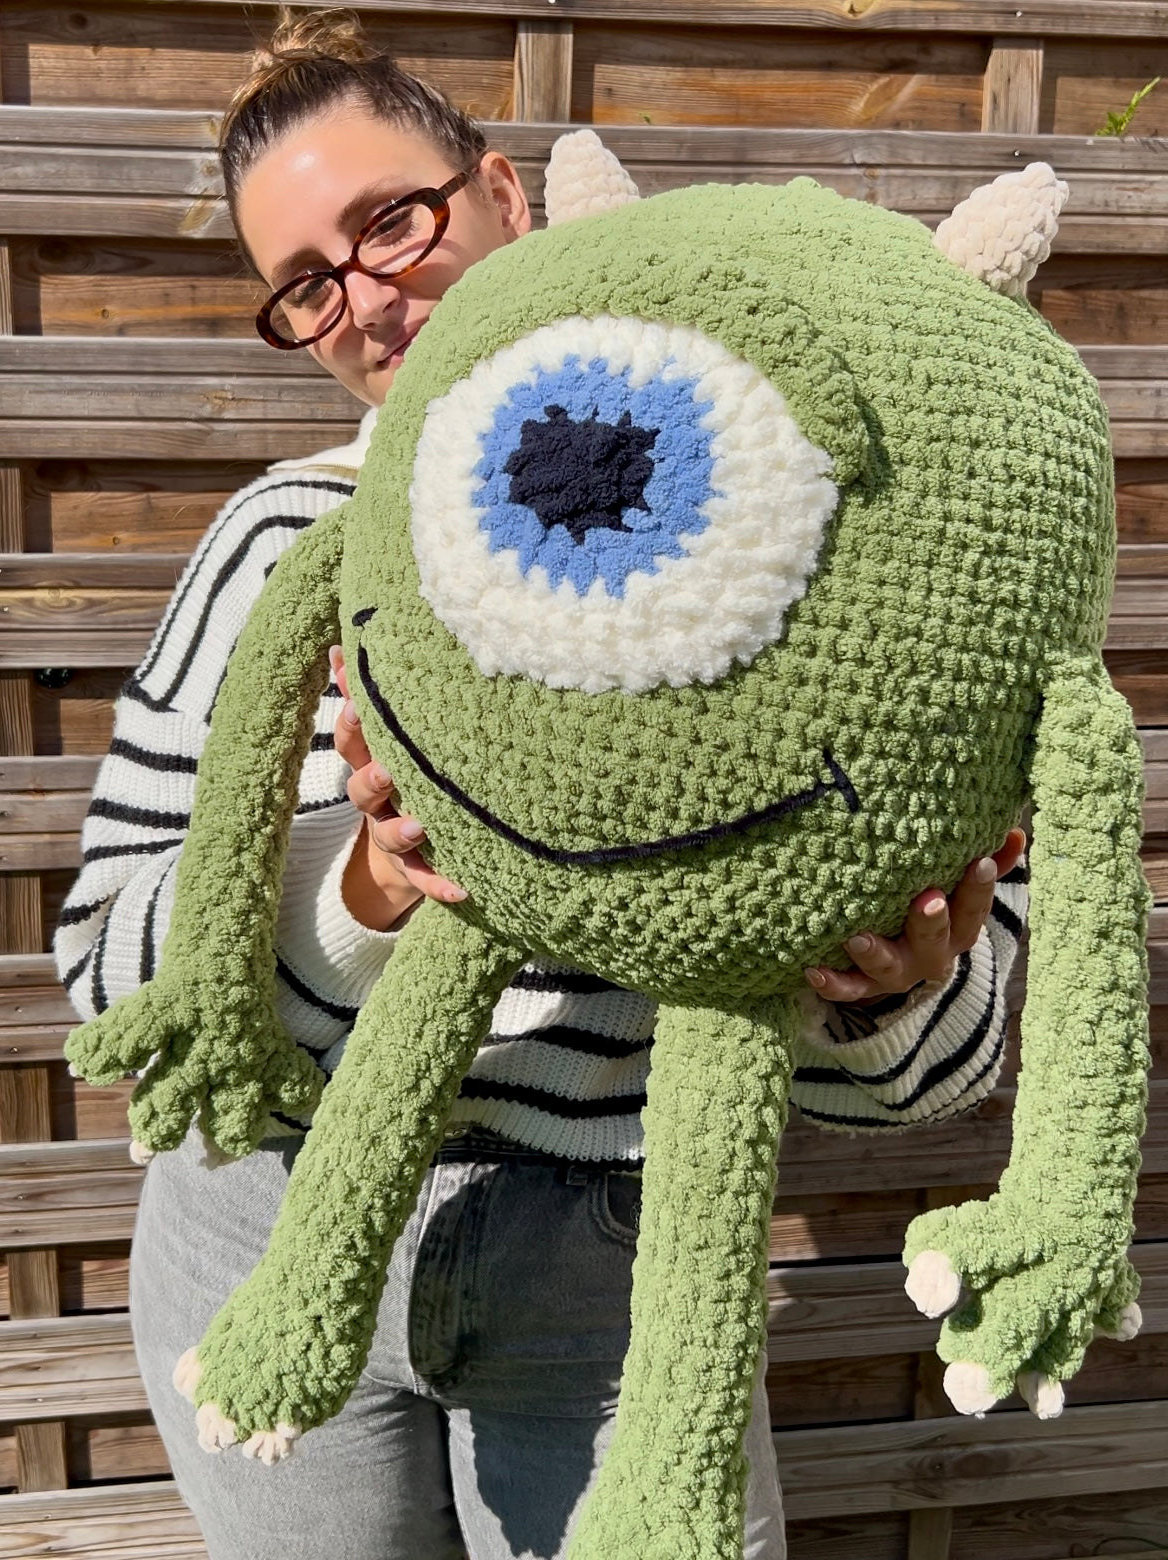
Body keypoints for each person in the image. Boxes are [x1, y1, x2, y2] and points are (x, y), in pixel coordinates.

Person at [54, 13, 1028, 1559]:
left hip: (619, 1266)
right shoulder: (274, 544)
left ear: (503, 192)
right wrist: (365, 888)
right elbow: (106, 962)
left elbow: (941, 1075)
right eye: (306, 283)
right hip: (266, 1221)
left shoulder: (825, 517)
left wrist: (882, 988)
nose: (367, 296)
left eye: (391, 220)